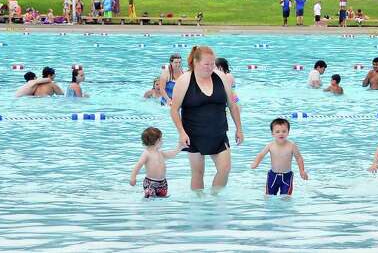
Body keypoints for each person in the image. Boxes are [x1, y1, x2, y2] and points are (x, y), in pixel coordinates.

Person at [168, 45, 244, 192]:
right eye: (206, 64)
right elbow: (174, 110)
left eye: (212, 64)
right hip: (193, 135)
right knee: (198, 173)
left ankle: (214, 200)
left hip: (218, 133)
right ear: (196, 62)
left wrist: (239, 129)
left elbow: (233, 106)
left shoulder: (221, 78)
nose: (210, 68)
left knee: (225, 169)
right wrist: (181, 133)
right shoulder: (184, 81)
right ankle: (199, 206)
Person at [251, 118, 310, 195]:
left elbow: (299, 158)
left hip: (287, 176)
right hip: (272, 176)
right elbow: (261, 154)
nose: (281, 134)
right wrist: (256, 163)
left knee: (286, 197)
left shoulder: (291, 145)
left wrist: (302, 171)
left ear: (288, 132)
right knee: (269, 196)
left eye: (284, 131)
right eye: (277, 132)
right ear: (272, 133)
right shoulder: (270, 145)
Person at [129, 127, 181, 198]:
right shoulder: (146, 153)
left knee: (161, 200)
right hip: (150, 183)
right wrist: (133, 177)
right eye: (161, 139)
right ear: (157, 141)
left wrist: (179, 147)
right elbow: (138, 165)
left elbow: (172, 154)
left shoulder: (160, 153)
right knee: (150, 200)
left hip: (163, 183)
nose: (162, 141)